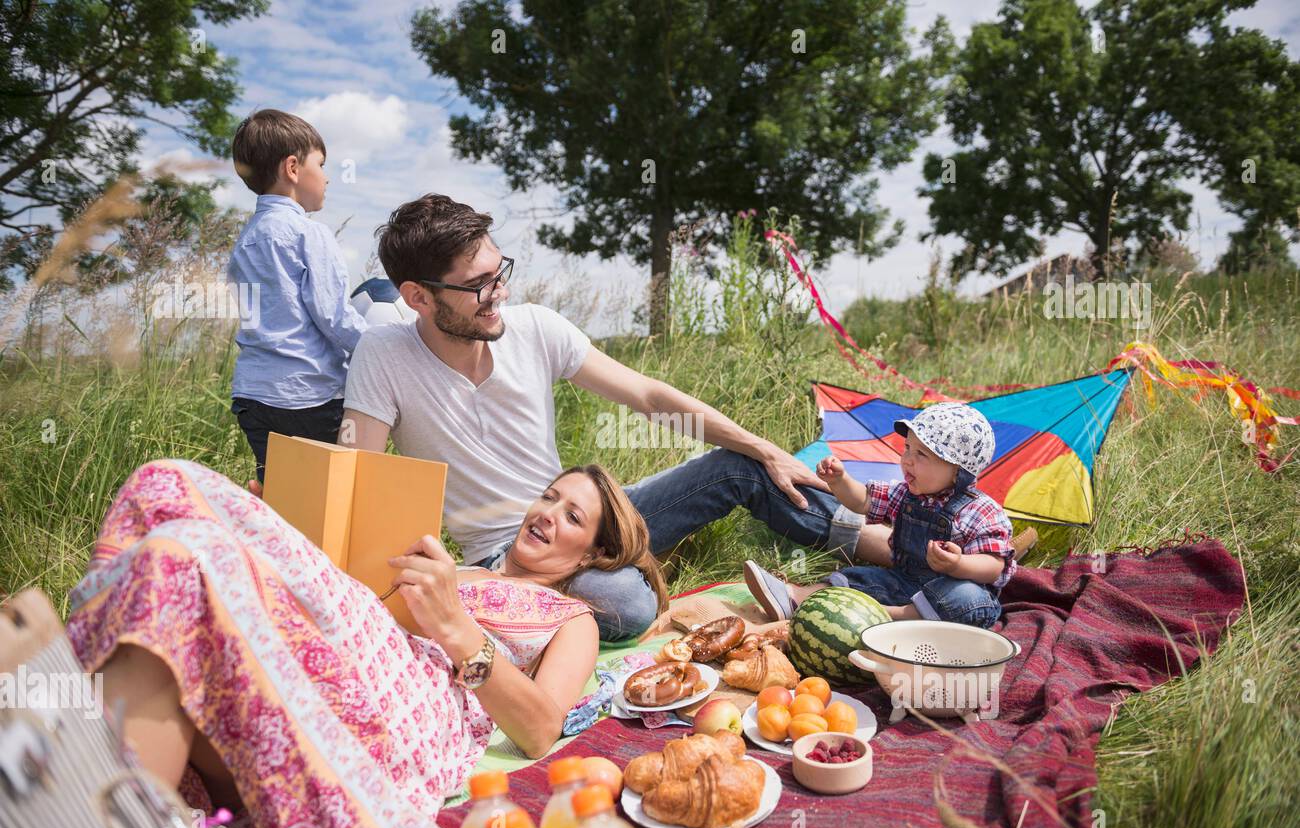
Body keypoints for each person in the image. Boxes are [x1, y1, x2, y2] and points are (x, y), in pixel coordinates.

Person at [341, 194, 911, 644]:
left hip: (585, 518)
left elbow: (648, 396)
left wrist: (767, 448)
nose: (498, 293)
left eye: (499, 272)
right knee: (629, 604)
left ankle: (890, 547)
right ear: (417, 297)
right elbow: (358, 478)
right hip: (511, 554)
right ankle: (624, 570)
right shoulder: (385, 356)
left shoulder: (536, 327)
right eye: (476, 286)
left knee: (742, 465)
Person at [63, 458, 666, 828]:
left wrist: (458, 629)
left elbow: (539, 730)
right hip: (348, 649)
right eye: (549, 496)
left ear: (597, 553)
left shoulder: (569, 617)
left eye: (572, 517)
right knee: (166, 506)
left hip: (410, 707)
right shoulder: (454, 565)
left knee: (183, 539)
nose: (547, 513)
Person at [743, 403, 1015, 629]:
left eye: (921, 455)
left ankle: (882, 618)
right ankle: (795, 598)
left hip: (951, 598)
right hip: (903, 582)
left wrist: (957, 565)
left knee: (964, 597)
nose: (907, 459)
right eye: (907, 447)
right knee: (858, 577)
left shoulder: (981, 511)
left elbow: (994, 565)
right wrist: (840, 481)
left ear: (958, 472)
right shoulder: (906, 494)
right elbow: (863, 501)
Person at [227, 109, 369, 482]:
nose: (327, 178)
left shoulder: (246, 240)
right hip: (308, 395)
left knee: (281, 495)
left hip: (254, 396)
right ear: (292, 168)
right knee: (328, 499)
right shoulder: (309, 233)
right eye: (321, 165)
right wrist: (380, 346)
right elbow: (333, 316)